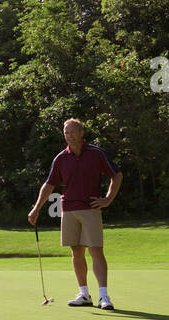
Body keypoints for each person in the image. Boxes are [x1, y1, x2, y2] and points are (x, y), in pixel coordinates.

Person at [28, 118, 123, 309]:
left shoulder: (96, 153)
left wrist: (107, 199)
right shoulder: (61, 158)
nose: (68, 135)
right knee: (76, 252)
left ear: (81, 133)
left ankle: (104, 296)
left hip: (90, 209)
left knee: (96, 251)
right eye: (66, 132)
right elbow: (49, 185)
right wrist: (37, 207)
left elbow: (117, 175)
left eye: (72, 132)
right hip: (68, 210)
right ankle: (84, 294)